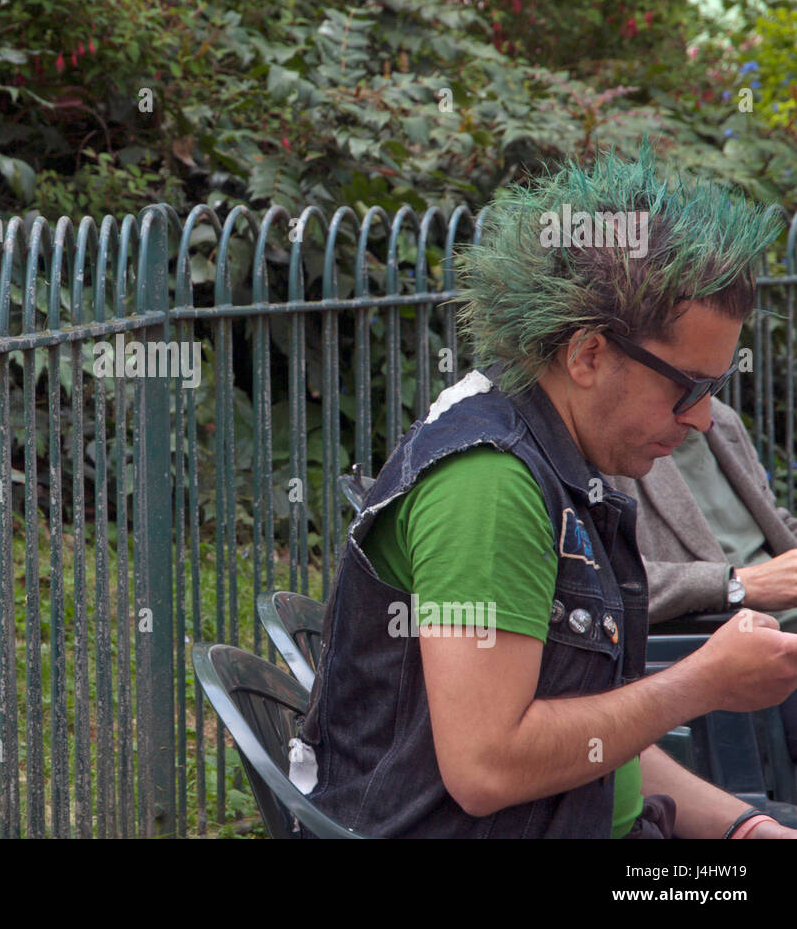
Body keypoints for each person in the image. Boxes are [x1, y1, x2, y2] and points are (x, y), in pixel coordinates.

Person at [298, 144, 797, 838]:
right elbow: (489, 765)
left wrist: (743, 828)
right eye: (690, 386)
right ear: (588, 354)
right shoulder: (490, 485)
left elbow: (590, 743)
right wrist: (699, 683)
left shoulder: (552, 457)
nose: (703, 418)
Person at [608, 396, 797, 629]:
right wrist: (734, 584)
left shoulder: (721, 418)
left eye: (714, 384)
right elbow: (606, 583)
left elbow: (772, 519)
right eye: (693, 381)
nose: (704, 418)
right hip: (741, 636)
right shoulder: (606, 438)